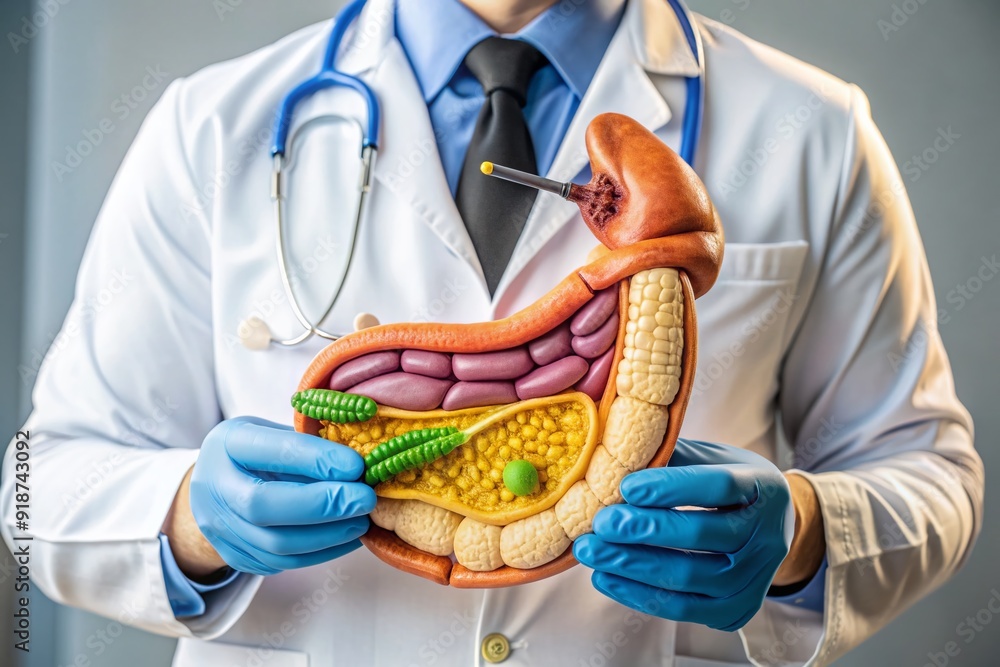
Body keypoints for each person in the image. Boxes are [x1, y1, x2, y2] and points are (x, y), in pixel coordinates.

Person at [1, 0, 983, 665]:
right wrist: (190, 520)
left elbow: (928, 472)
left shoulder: (811, 128)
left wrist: (802, 535)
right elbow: (41, 483)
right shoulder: (210, 125)